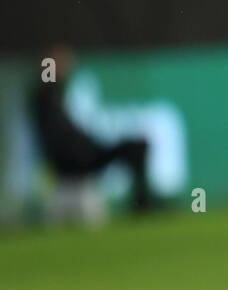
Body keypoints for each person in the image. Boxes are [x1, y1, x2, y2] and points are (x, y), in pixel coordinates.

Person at [30, 46, 155, 214]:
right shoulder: (45, 97)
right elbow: (48, 86)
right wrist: (52, 65)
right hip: (74, 159)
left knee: (137, 146)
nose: (65, 67)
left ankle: (143, 203)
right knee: (135, 147)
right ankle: (143, 205)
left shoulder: (55, 97)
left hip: (85, 152)